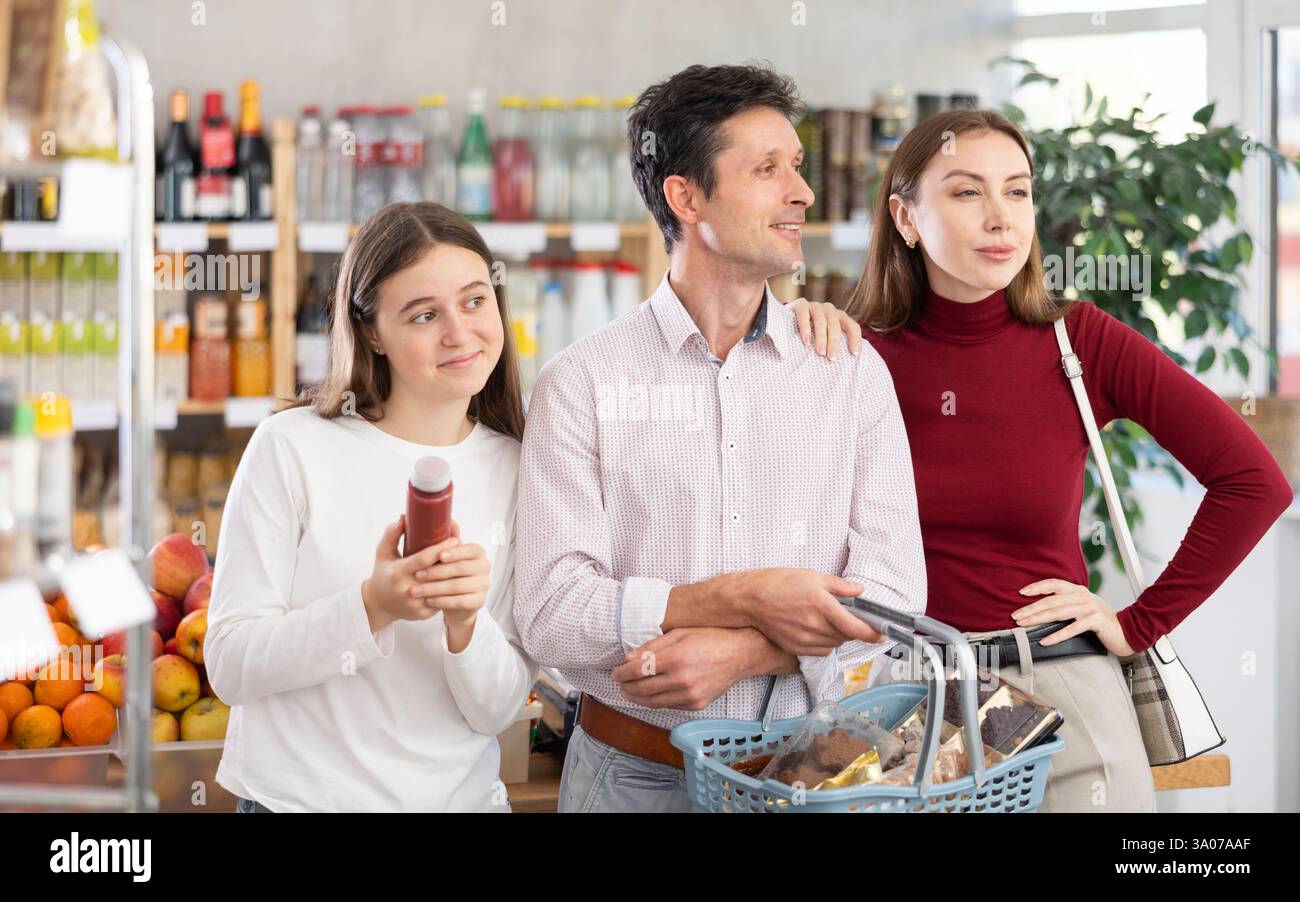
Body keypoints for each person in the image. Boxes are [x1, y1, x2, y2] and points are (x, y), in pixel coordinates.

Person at [847, 108, 1294, 812]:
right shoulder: (851, 356)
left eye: (1018, 191)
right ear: (905, 217)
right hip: (904, 707)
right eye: (968, 193)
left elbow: (1254, 481)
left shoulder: (1080, 339)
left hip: (1061, 701)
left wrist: (1139, 623)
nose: (1001, 218)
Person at [515, 64, 927, 813]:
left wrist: (745, 648)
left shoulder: (846, 369)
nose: (801, 192)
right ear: (686, 196)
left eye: (796, 167)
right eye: (768, 170)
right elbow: (548, 612)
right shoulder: (581, 383)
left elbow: (897, 595)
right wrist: (738, 595)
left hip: (814, 776)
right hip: (631, 779)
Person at [206, 202, 537, 812]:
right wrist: (372, 606)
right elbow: (230, 665)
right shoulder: (292, 446)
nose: (460, 334)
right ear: (371, 333)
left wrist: (466, 624)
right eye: (423, 315)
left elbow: (496, 710)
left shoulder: (522, 470)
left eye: (473, 301)